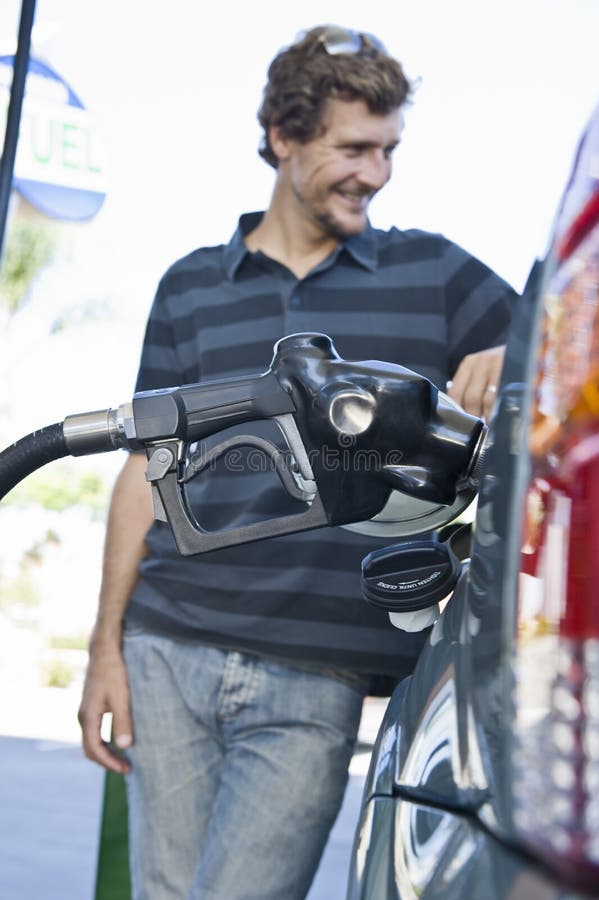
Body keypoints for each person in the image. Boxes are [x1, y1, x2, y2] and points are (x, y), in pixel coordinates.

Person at [78, 24, 517, 900]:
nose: (376, 173)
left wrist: (518, 353)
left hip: (316, 672)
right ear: (284, 138)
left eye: (388, 150)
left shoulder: (432, 272)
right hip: (168, 647)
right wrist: (105, 651)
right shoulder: (191, 284)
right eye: (353, 147)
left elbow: (564, 342)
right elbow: (140, 472)